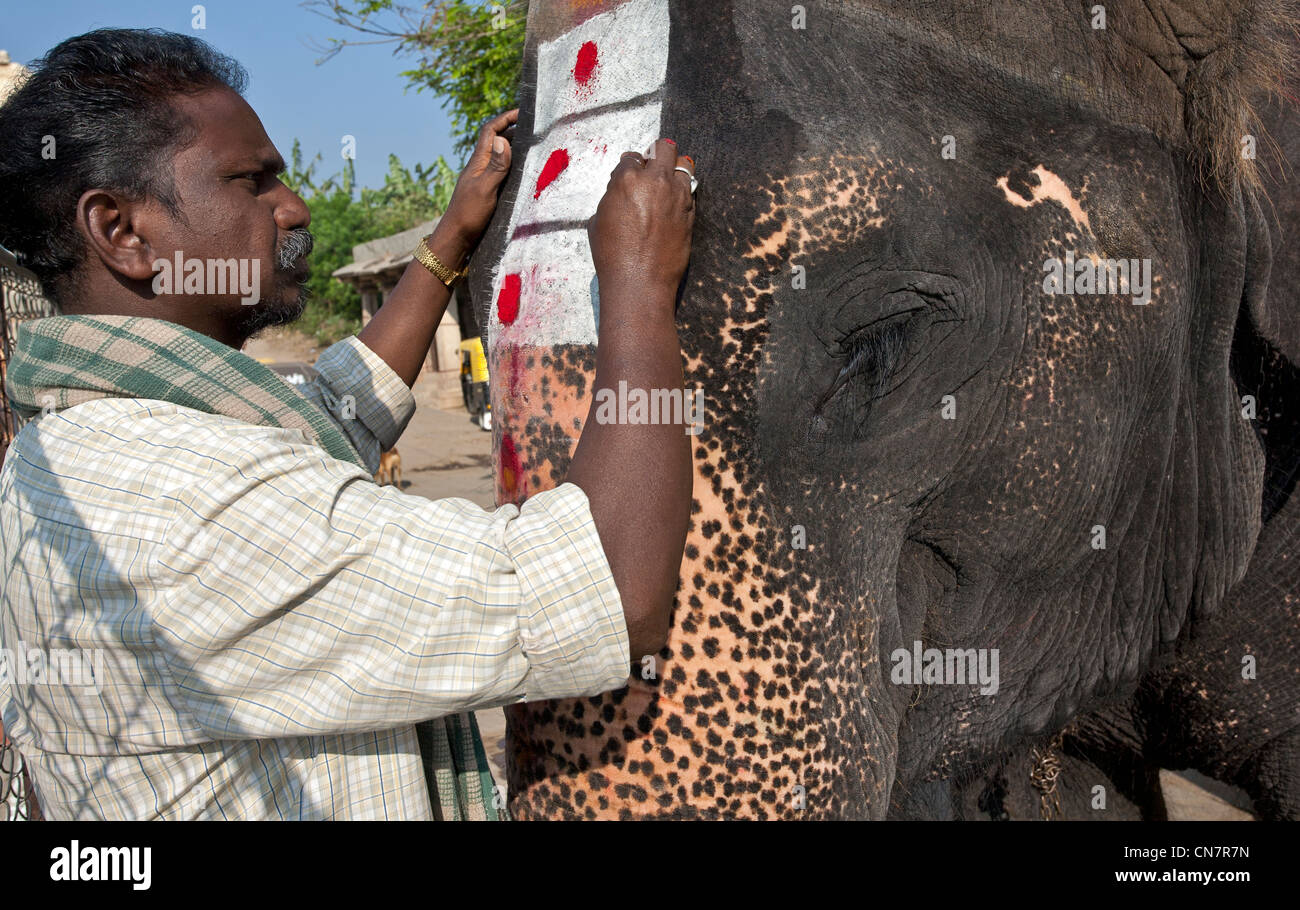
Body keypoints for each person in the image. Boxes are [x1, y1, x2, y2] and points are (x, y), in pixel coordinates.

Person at [0, 28, 695, 820]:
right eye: (250, 182)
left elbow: (330, 413)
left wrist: (450, 239)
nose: (293, 207)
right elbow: (605, 586)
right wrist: (639, 281)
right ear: (122, 232)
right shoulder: (180, 499)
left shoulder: (85, 438)